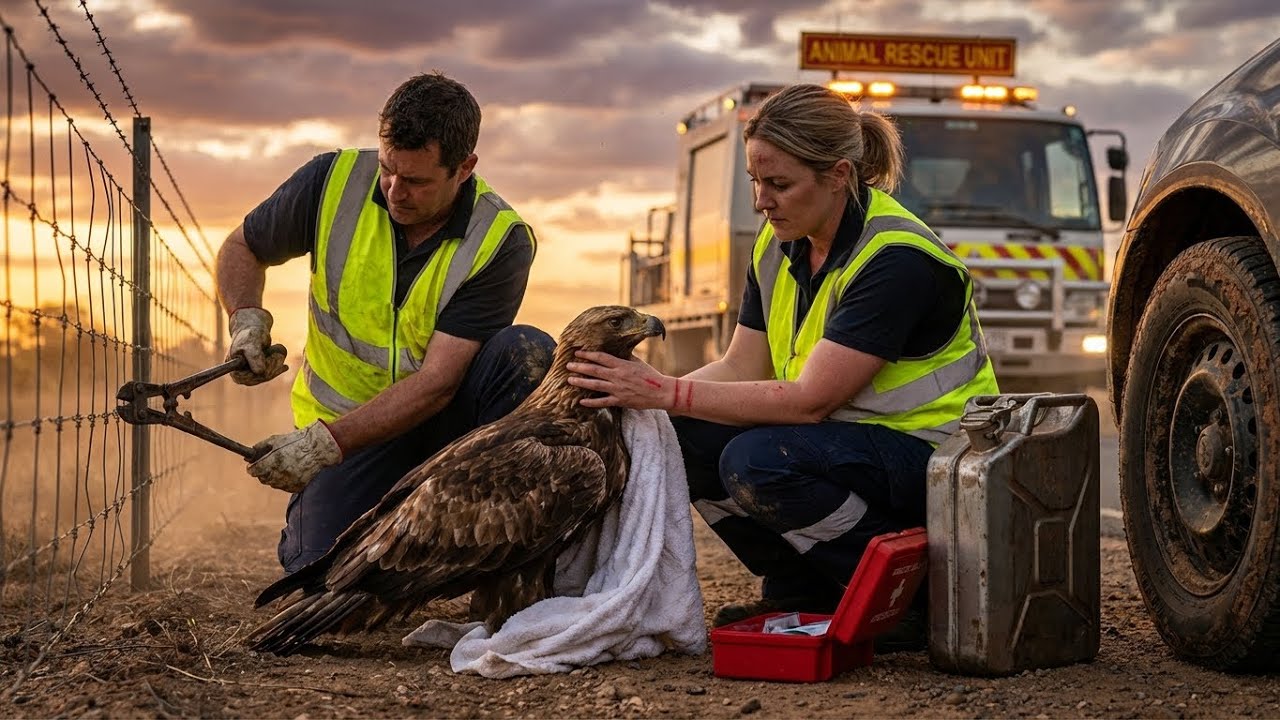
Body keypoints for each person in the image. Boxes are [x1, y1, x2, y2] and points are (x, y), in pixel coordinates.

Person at [565, 83, 1000, 651]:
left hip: (941, 459)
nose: (761, 201)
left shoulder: (897, 259)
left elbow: (808, 401)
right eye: (754, 181)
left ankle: (907, 597)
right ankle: (805, 586)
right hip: (853, 445)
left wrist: (664, 389)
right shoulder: (779, 245)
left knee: (761, 461)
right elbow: (740, 366)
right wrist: (632, 400)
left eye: (779, 184)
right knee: (680, 436)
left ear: (839, 174)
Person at [215, 72, 555, 574]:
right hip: (353, 431)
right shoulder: (331, 182)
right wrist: (246, 321)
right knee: (316, 571)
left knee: (523, 353)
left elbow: (438, 383)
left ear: (465, 169)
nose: (395, 191)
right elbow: (242, 247)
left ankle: (501, 556)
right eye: (389, 169)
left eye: (416, 181)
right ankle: (395, 539)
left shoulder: (500, 239)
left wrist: (322, 445)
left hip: (448, 434)